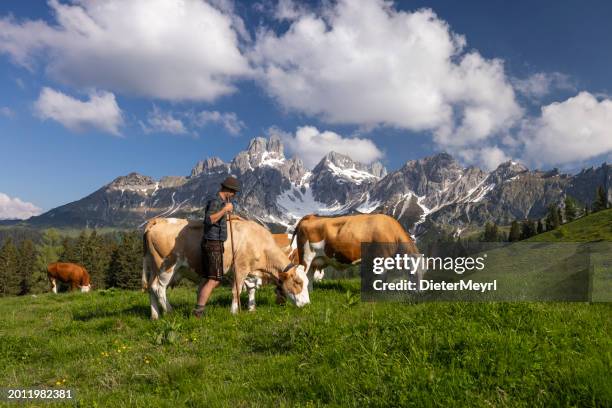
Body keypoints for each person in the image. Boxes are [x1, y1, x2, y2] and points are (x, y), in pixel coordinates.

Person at [193, 176, 241, 318]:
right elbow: (209, 220)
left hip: (214, 242)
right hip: (213, 244)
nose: (234, 195)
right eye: (234, 192)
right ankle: (198, 312)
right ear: (228, 190)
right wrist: (225, 210)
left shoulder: (221, 202)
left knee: (209, 278)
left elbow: (218, 219)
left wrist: (233, 217)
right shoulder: (216, 201)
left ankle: (199, 307)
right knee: (215, 279)